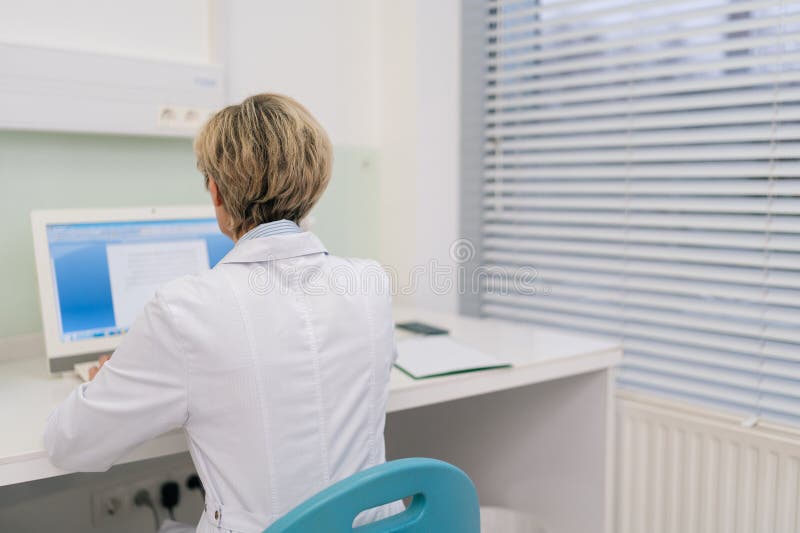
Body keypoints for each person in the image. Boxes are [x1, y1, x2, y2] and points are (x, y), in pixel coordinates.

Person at [43, 94, 402, 532]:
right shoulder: (369, 283)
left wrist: (113, 386)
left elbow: (68, 443)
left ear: (216, 190)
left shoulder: (184, 310)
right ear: (316, 183)